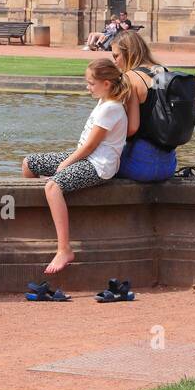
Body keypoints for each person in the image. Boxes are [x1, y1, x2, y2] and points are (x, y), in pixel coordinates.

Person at [22, 57, 131, 276]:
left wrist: (66, 163)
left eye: (91, 83)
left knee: (53, 186)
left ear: (106, 84)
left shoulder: (111, 108)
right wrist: (68, 161)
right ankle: (45, 218)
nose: (87, 87)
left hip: (99, 165)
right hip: (85, 158)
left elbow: (91, 146)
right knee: (29, 163)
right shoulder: (104, 101)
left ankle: (64, 249)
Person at [111, 31, 179, 182]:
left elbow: (133, 128)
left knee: (96, 163)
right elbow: (160, 106)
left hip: (140, 166)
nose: (114, 61)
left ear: (128, 52)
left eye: (116, 56)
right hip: (168, 165)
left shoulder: (130, 78)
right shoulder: (162, 71)